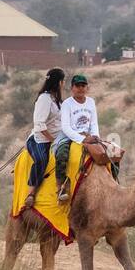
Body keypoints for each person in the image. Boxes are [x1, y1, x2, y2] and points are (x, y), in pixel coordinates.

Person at [53, 73, 99, 203]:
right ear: (72, 88)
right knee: (61, 154)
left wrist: (95, 137)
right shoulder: (67, 104)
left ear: (87, 88)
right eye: (77, 85)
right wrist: (82, 139)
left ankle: (113, 182)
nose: (80, 88)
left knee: (112, 152)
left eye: (83, 85)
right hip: (70, 135)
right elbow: (66, 127)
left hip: (88, 135)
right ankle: (61, 187)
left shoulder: (91, 102)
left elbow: (94, 123)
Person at [24, 67, 66, 209]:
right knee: (42, 160)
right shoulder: (44, 99)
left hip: (57, 137)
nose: (63, 84)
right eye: (62, 81)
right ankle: (31, 193)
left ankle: (63, 187)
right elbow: (39, 124)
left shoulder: (57, 100)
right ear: (59, 82)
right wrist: (53, 140)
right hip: (40, 139)